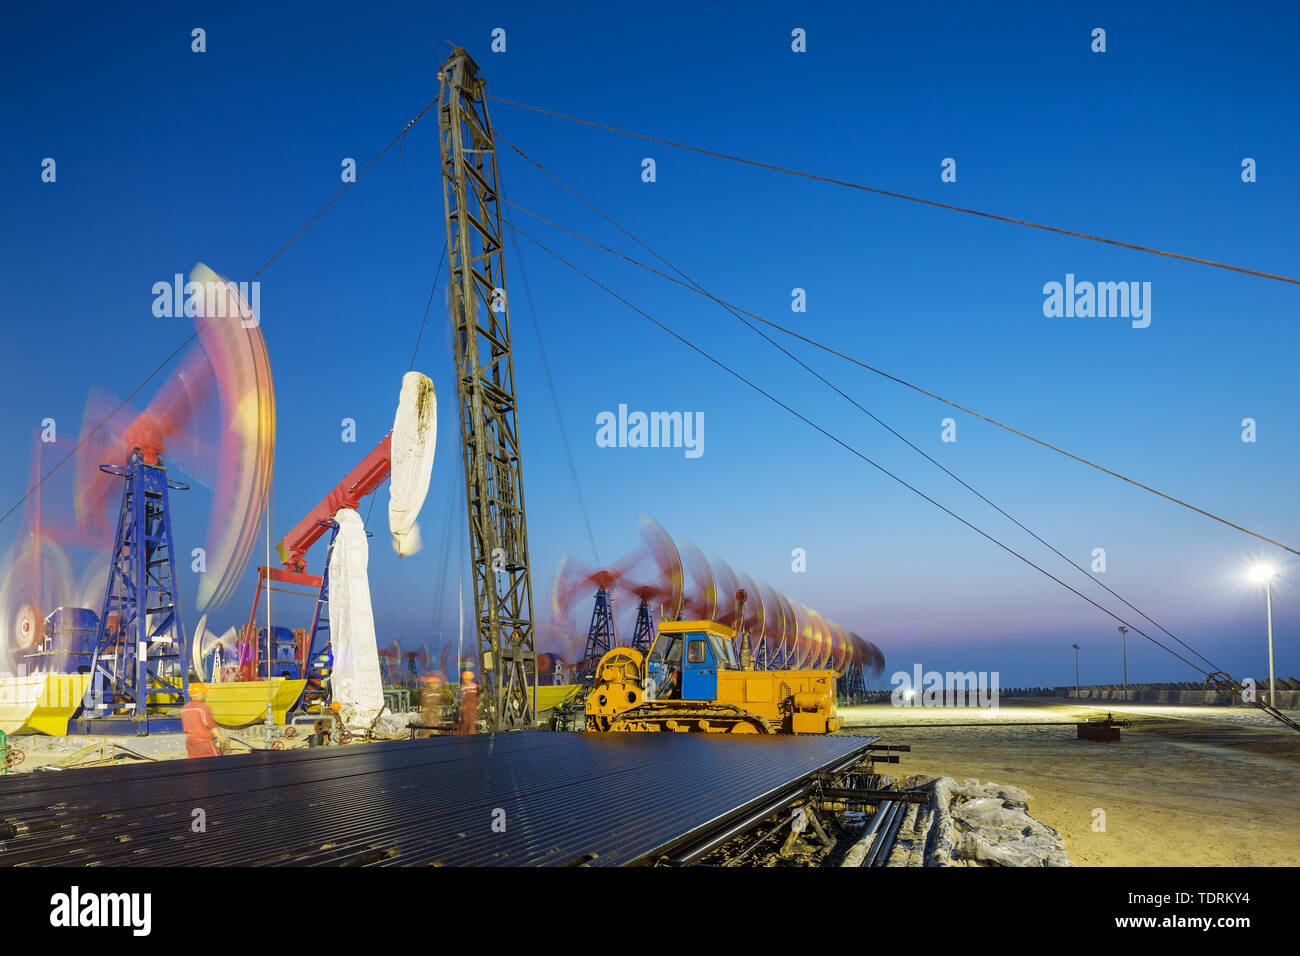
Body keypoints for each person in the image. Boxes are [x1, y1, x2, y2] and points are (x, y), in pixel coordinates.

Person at [181, 687, 222, 758]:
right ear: (201, 695)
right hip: (204, 742)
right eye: (204, 694)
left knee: (195, 765)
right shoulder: (203, 708)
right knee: (216, 763)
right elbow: (210, 725)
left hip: (190, 742)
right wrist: (221, 738)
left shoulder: (185, 708)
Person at [456, 669, 478, 735]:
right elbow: (478, 698)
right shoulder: (475, 686)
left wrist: (460, 711)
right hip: (473, 709)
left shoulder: (463, 687)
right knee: (472, 726)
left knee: (464, 728)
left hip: (465, 710)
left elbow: (460, 700)